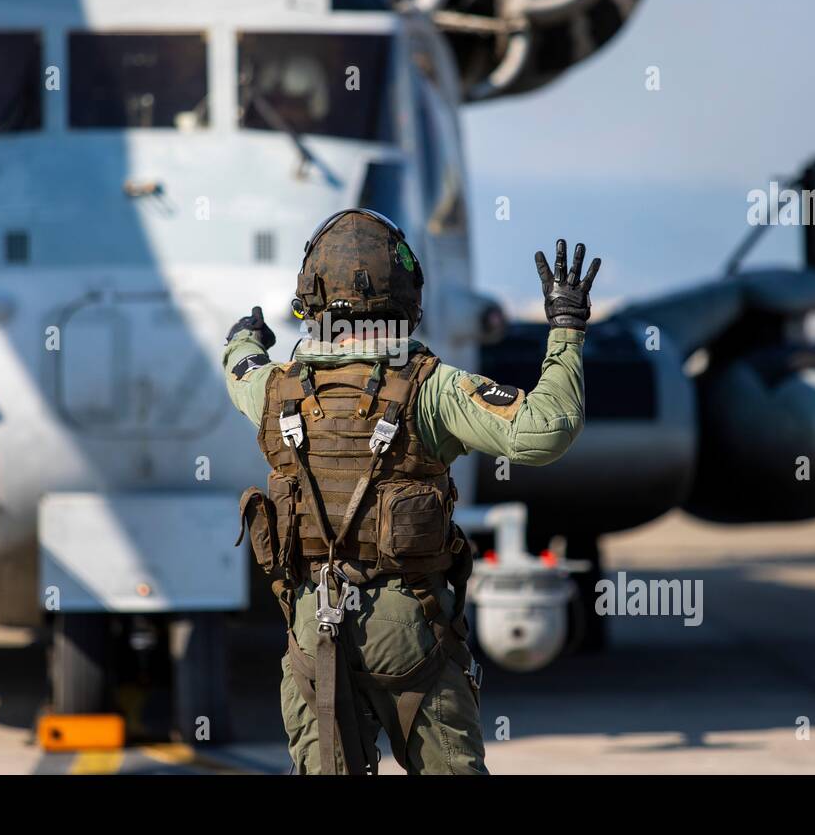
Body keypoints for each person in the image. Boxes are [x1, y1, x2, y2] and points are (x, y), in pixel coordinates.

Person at [223, 207, 599, 774]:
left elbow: (240, 367)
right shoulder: (433, 387)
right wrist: (566, 330)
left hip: (311, 627)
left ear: (310, 297)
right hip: (410, 627)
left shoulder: (273, 389)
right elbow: (545, 431)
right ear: (407, 296)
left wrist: (245, 338)